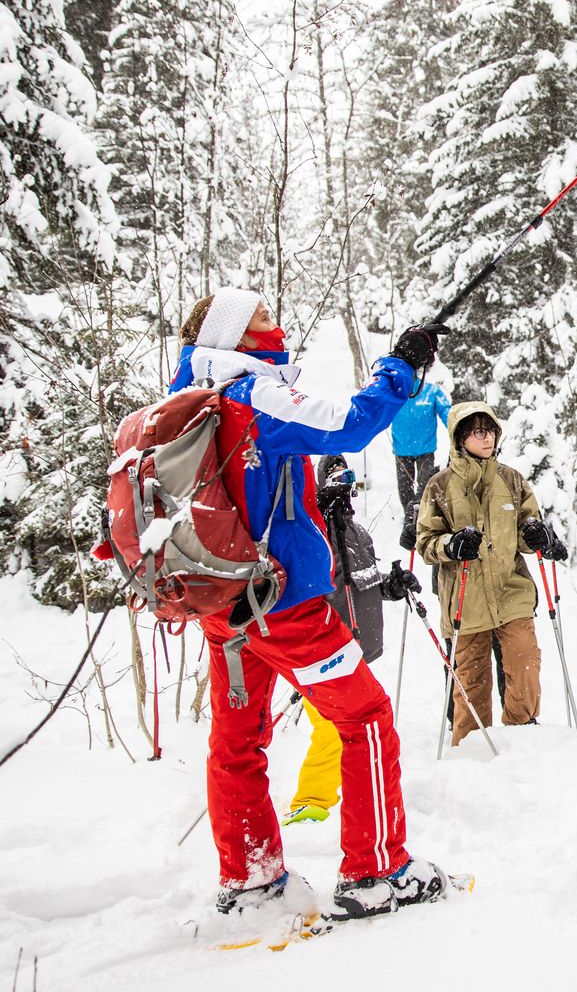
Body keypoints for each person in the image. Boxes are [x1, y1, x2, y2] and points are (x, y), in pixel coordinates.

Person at [168, 287, 447, 922]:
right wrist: (399, 369)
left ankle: (250, 877)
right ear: (236, 337)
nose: (279, 324)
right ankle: (378, 870)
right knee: (368, 716)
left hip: (223, 602)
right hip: (282, 605)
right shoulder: (250, 394)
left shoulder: (190, 398)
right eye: (263, 318)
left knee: (237, 741)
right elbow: (349, 424)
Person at [415, 401, 564, 746]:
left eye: (492, 430)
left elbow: (528, 529)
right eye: (478, 432)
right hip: (466, 599)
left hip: (512, 590)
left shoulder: (511, 479)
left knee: (525, 661)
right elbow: (425, 543)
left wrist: (535, 535)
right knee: (470, 683)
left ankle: (523, 735)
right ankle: (472, 750)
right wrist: (451, 545)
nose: (487, 438)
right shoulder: (438, 486)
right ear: (460, 437)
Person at [283, 454, 421, 826]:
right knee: (331, 727)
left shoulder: (359, 534)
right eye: (333, 475)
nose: (342, 481)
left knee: (359, 727)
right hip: (319, 651)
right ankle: (309, 803)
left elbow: (364, 585)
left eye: (346, 474)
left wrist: (393, 585)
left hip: (354, 652)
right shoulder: (311, 529)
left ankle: (355, 796)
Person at [391, 379, 450, 521]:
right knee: (405, 489)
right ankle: (409, 518)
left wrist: (458, 428)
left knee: (425, 486)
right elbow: (378, 408)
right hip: (402, 449)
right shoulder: (394, 391)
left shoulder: (431, 391)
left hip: (426, 449)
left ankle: (423, 517)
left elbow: (446, 411)